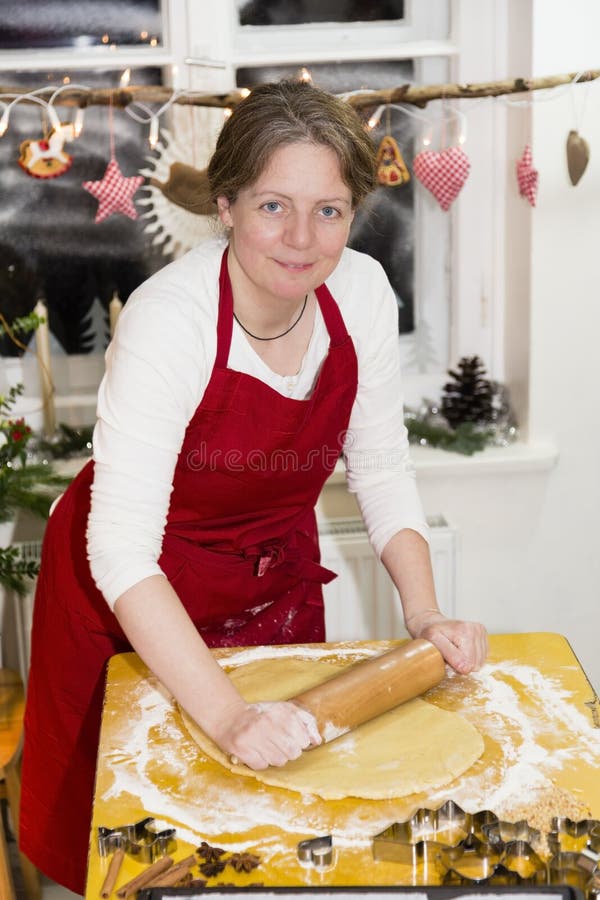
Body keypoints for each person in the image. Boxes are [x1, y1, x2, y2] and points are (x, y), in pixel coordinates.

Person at [20, 79, 488, 895]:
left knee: (270, 836)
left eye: (330, 211)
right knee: (143, 853)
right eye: (274, 206)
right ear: (226, 204)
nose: (302, 239)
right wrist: (228, 713)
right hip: (129, 598)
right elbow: (122, 548)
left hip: (267, 579)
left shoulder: (364, 295)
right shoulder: (173, 320)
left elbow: (380, 468)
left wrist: (424, 614)